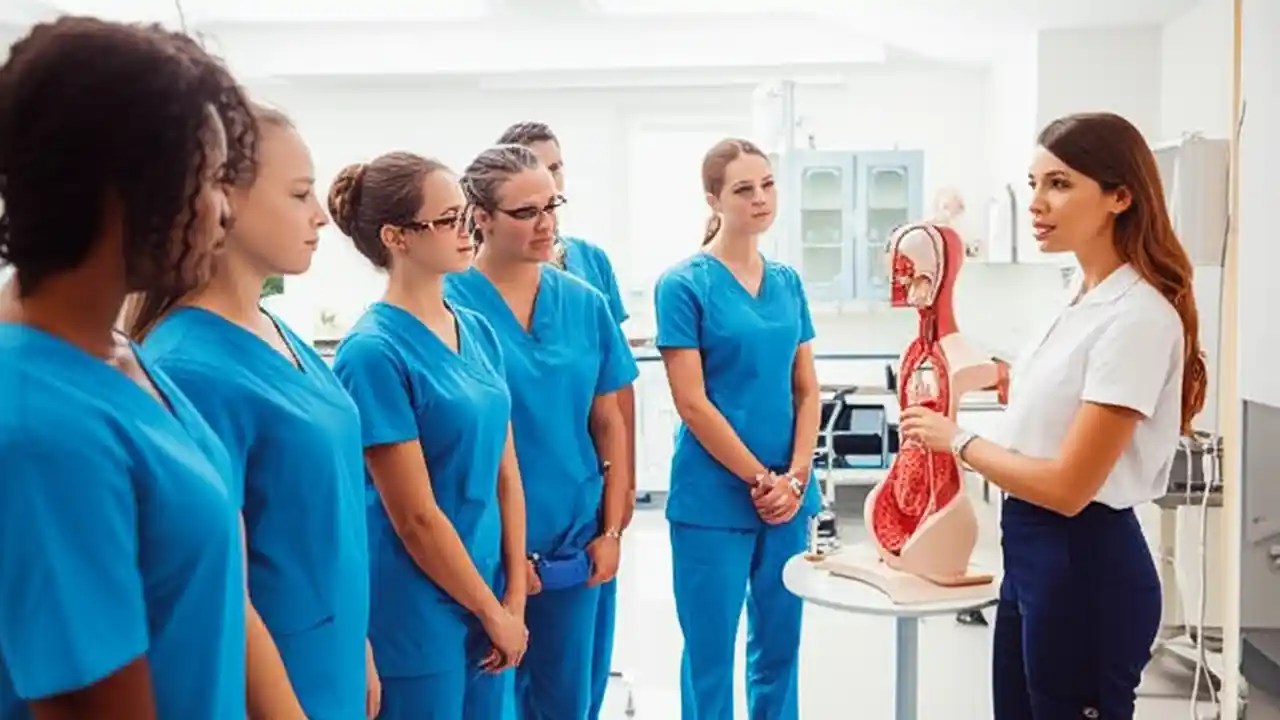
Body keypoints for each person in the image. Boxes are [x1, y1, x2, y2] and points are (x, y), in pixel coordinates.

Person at [900, 111, 1206, 720]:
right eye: (1034, 182)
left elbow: (1068, 488)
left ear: (1120, 196)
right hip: (1034, 554)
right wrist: (1001, 375)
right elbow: (1055, 408)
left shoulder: (1137, 317)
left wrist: (956, 440)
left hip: (1084, 561)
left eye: (1060, 184)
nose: (1037, 202)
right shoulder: (1076, 296)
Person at [0, 18, 254, 719]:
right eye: (208, 180)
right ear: (127, 191)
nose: (224, 212)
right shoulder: (40, 421)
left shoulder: (116, 353)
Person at [125, 105, 376, 720]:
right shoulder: (188, 367)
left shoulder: (273, 329)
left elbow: (325, 521)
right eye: (298, 193)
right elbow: (220, 589)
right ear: (222, 201)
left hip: (330, 654)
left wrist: (358, 644)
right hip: (274, 684)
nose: (320, 213)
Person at [327, 151, 529, 720]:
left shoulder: (478, 331)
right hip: (417, 612)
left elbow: (507, 474)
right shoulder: (373, 353)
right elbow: (414, 519)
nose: (468, 230)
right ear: (397, 237)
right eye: (447, 220)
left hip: (491, 594)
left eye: (465, 214)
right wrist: (492, 612)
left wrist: (512, 596)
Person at [445, 144, 637, 720]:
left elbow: (608, 421)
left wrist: (612, 530)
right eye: (525, 212)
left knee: (564, 703)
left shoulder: (584, 303)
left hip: (574, 542)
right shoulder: (448, 307)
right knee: (488, 699)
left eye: (551, 205)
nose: (546, 223)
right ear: (480, 218)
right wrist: (507, 558)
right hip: (486, 551)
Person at [653, 138, 821, 720]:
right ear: (713, 200)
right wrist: (762, 478)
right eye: (743, 189)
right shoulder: (683, 285)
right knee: (709, 654)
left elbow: (806, 389)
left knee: (780, 648)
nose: (760, 199)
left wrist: (796, 479)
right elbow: (693, 403)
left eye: (768, 184)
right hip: (714, 498)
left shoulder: (789, 283)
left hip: (788, 498)